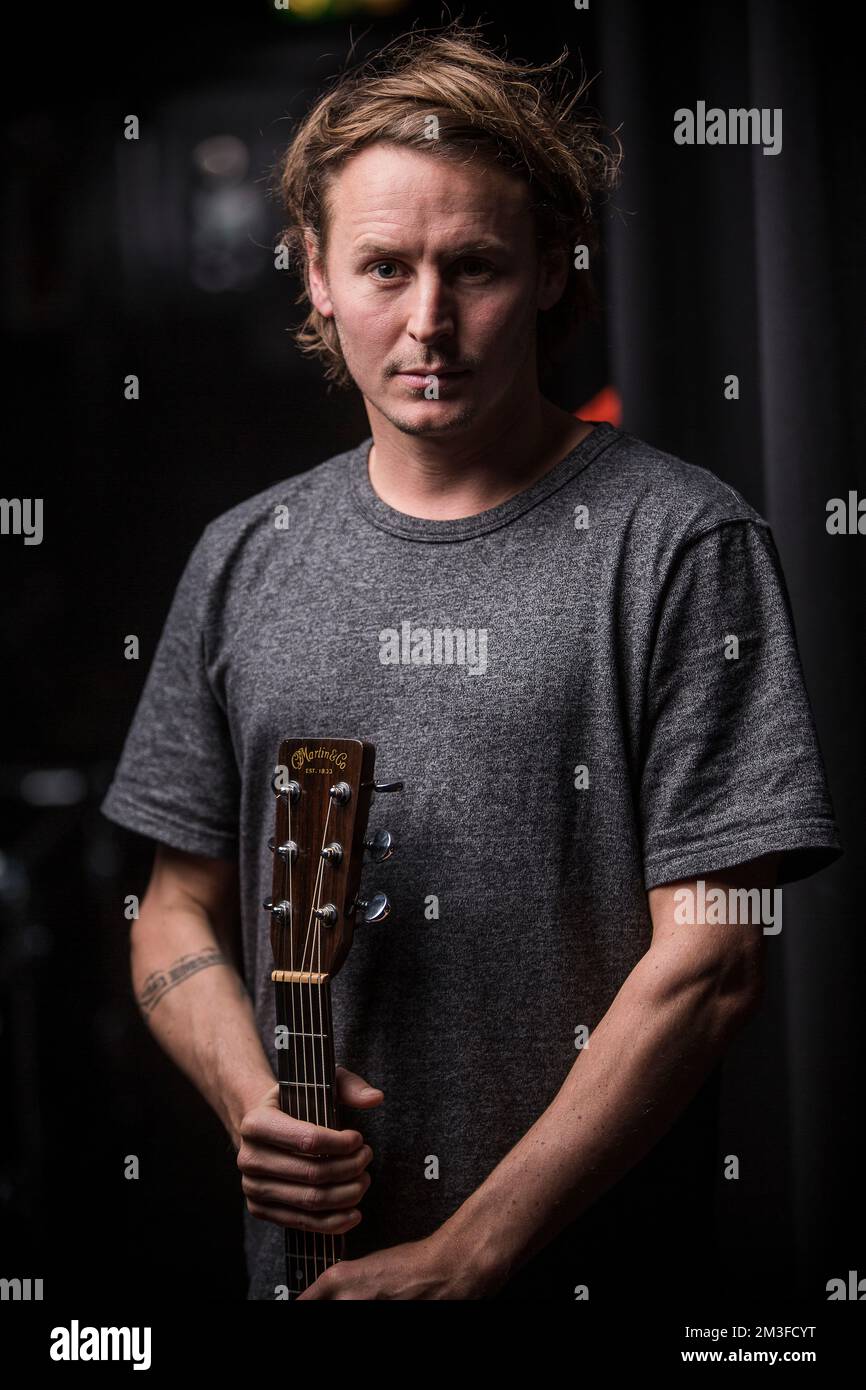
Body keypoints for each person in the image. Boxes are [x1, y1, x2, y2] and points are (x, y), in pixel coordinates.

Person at [100, 22, 842, 1301]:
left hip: (592, 1287)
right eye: (383, 267)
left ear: (554, 271)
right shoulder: (241, 555)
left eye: (477, 267)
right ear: (317, 279)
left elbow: (714, 955)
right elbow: (173, 905)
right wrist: (249, 1101)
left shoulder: (678, 541)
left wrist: (468, 1253)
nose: (428, 322)